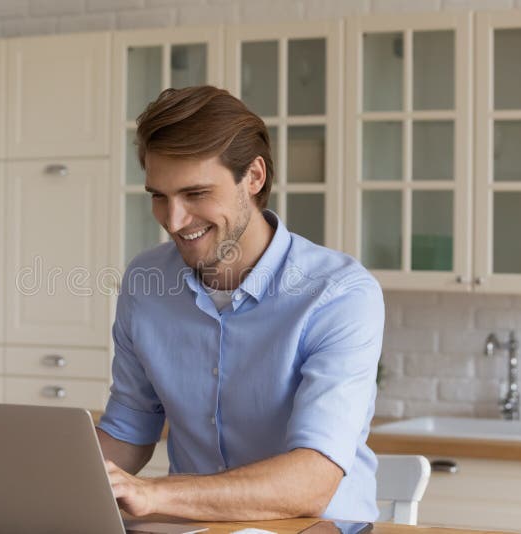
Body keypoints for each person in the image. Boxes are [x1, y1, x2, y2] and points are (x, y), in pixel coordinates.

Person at [97, 86, 384, 523]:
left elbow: (312, 481)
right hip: (194, 530)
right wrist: (42, 477)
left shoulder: (339, 294)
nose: (173, 221)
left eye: (195, 194)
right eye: (159, 195)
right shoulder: (145, 282)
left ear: (253, 176)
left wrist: (154, 494)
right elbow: (129, 432)